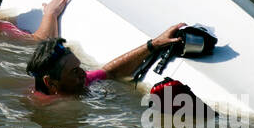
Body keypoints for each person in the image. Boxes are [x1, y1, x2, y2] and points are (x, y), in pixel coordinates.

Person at [27, 25, 188, 96]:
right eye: (74, 71)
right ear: (50, 83)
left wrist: (154, 44)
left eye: (79, 67)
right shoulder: (46, 108)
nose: (84, 73)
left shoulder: (80, 81)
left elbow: (110, 71)